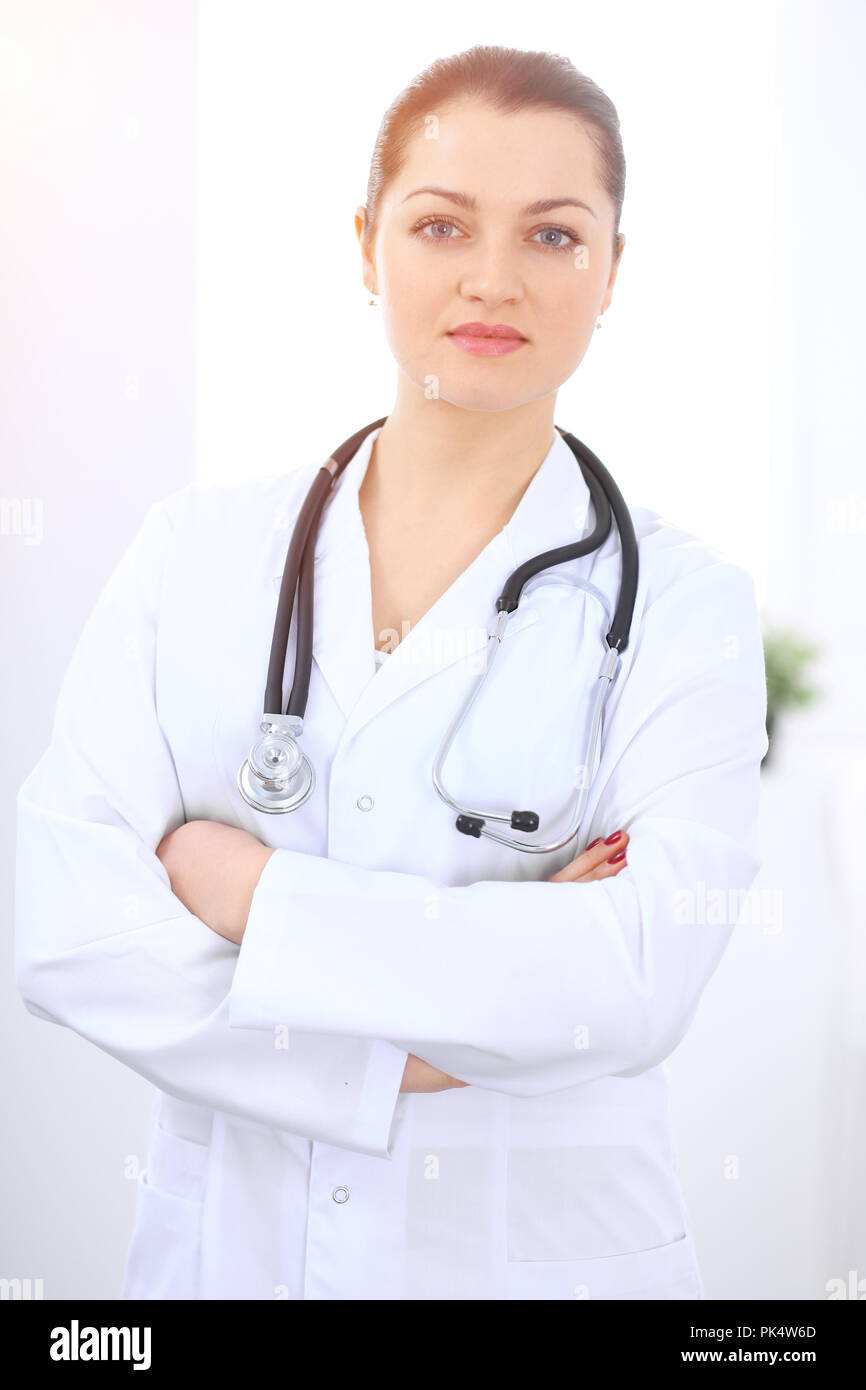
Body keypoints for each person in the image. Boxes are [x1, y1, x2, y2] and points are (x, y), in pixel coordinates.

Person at [15, 44, 768, 1301]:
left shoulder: (685, 610)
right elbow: (71, 937)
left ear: (611, 270)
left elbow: (631, 982)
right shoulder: (194, 554)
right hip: (225, 1263)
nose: (491, 280)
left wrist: (252, 895)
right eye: (439, 225)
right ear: (365, 245)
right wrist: (420, 1053)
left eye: (552, 235)